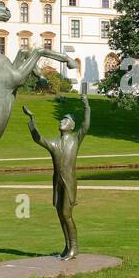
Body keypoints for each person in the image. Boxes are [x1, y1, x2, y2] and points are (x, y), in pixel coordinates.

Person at [22, 80, 90, 259]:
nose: (62, 121)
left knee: (67, 214)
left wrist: (86, 105)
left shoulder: (75, 139)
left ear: (71, 126)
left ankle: (74, 248)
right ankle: (67, 247)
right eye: (62, 119)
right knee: (60, 215)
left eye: (65, 120)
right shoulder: (54, 143)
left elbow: (86, 125)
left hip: (68, 184)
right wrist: (32, 120)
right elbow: (39, 139)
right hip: (57, 184)